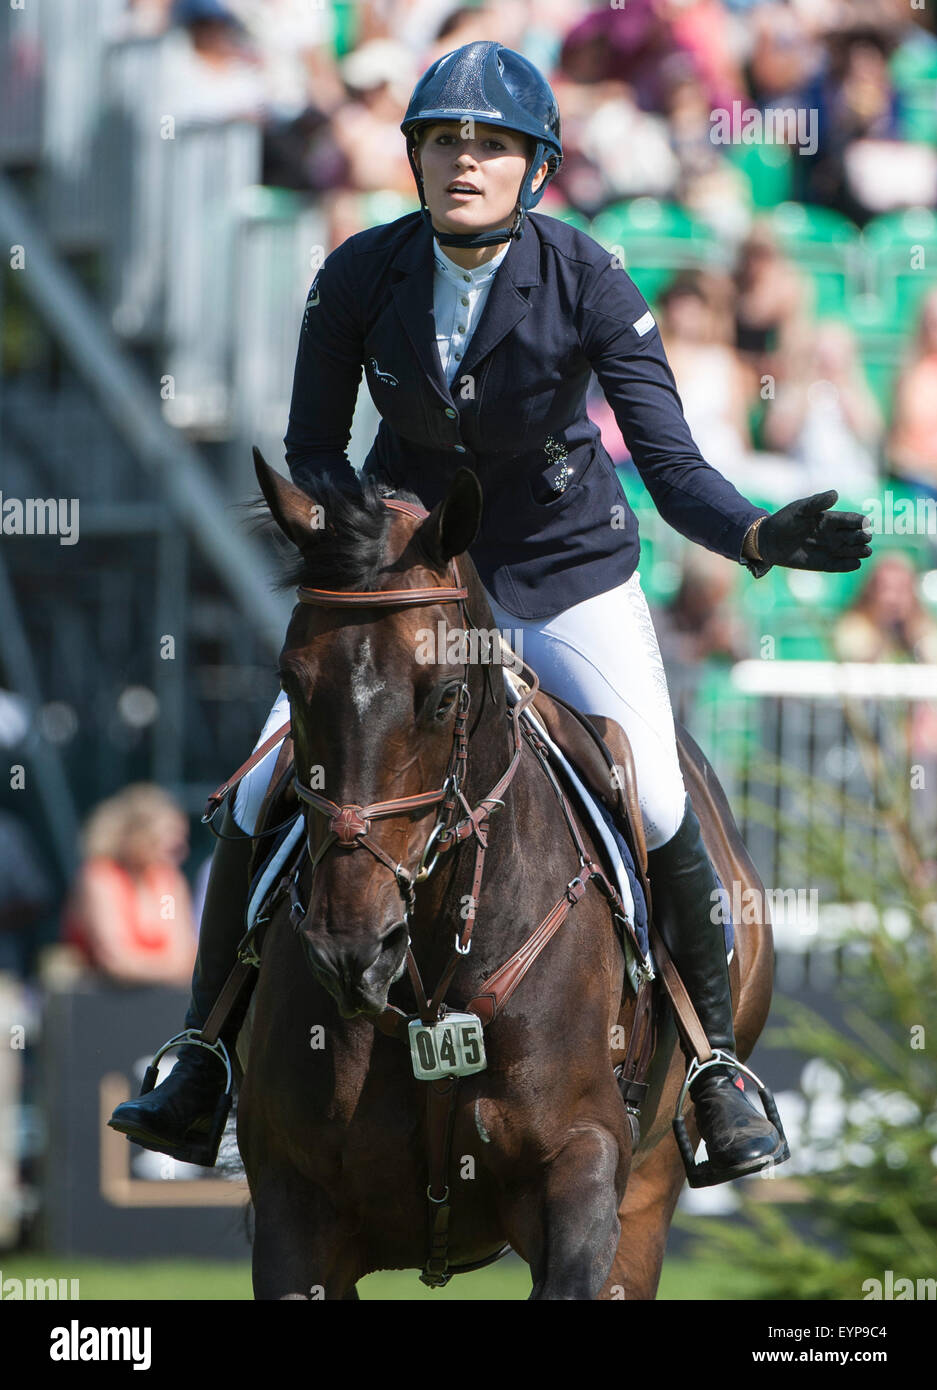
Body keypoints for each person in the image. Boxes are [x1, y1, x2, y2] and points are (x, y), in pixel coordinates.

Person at [110, 40, 873, 1180]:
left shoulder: (590, 279)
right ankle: (202, 1053)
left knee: (657, 792)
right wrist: (374, 543)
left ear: (538, 164)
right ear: (412, 156)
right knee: (264, 784)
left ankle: (713, 1068)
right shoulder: (358, 273)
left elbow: (668, 468)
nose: (465, 160)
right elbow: (314, 448)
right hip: (414, 588)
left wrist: (755, 534)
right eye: (443, 140)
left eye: (492, 143)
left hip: (563, 577)